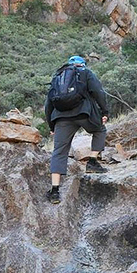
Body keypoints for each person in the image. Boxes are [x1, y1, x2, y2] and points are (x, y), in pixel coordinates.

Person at [45, 55, 109, 204]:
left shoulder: (58, 76)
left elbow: (48, 103)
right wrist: (104, 112)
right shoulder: (85, 72)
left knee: (59, 151)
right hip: (84, 113)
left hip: (61, 117)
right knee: (100, 130)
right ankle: (92, 162)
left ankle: (55, 191)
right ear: (82, 64)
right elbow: (98, 92)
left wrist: (51, 125)